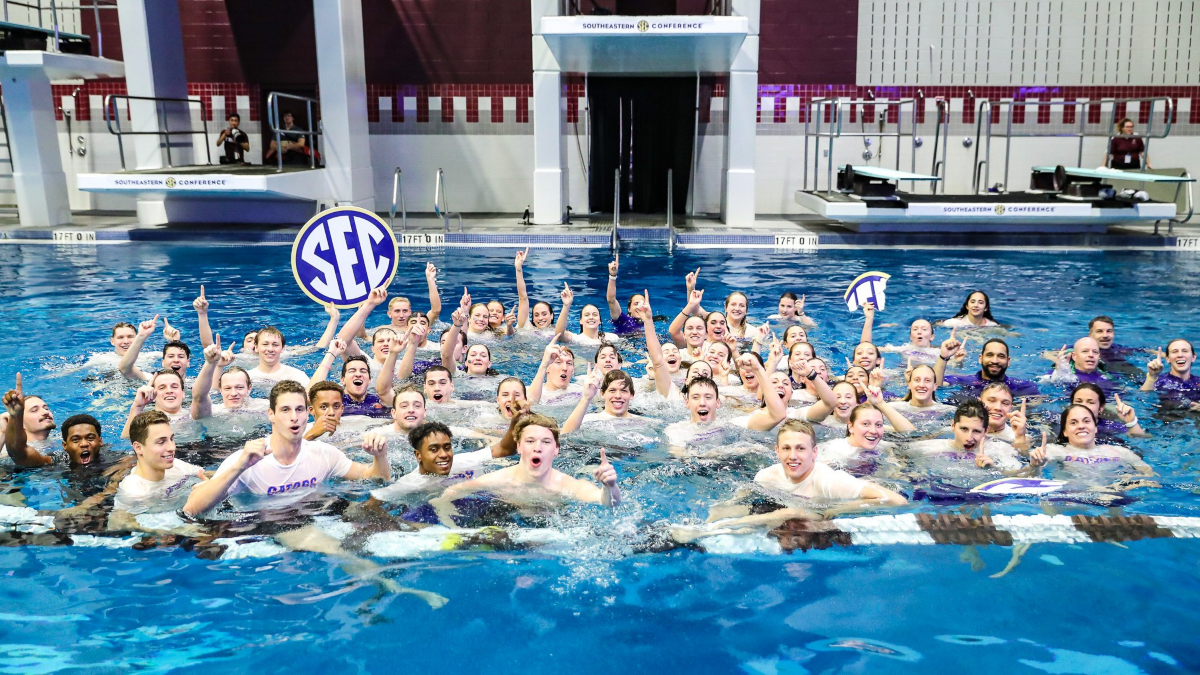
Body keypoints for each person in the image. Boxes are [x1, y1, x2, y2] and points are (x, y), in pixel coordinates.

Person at [183, 381, 391, 516]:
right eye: (285, 409)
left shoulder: (323, 454)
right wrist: (238, 468)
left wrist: (380, 457)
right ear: (271, 414)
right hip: (261, 528)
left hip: (314, 515)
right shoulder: (246, 459)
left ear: (307, 414)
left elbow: (375, 478)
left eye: (299, 409)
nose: (294, 417)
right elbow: (191, 510)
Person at [430, 413, 620, 526]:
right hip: (505, 516)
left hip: (552, 521)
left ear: (556, 450)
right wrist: (451, 525)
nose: (537, 447)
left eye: (546, 442)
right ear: (519, 447)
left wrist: (609, 486)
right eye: (530, 441)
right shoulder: (498, 480)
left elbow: (607, 503)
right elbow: (449, 493)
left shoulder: (567, 485)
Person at [757, 421, 906, 504]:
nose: (793, 456)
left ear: (814, 452)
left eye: (801, 448)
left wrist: (836, 509)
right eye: (786, 448)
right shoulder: (766, 478)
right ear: (777, 451)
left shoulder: (829, 481)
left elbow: (896, 500)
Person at [370, 422, 502, 502]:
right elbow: (373, 503)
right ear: (418, 455)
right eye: (434, 449)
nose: (443, 455)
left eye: (447, 448)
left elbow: (502, 449)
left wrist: (517, 421)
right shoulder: (410, 484)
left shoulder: (462, 462)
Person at [3, 374, 104, 467]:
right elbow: (18, 453)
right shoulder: (60, 459)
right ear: (65, 445)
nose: (84, 444)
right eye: (34, 410)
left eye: (46, 408)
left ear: (100, 441)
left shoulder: (111, 456)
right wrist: (16, 416)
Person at [115, 410, 204, 514]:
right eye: (161, 442)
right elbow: (117, 523)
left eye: (172, 439)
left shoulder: (176, 465)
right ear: (138, 448)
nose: (172, 447)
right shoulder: (133, 492)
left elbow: (206, 475)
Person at [903, 400, 1021, 470]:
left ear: (986, 431)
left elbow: (1019, 477)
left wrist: (993, 468)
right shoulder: (928, 448)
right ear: (953, 426)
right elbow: (896, 453)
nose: (969, 438)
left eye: (976, 431)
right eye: (964, 429)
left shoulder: (1000, 450)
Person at [1037, 405, 1153, 476]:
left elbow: (1149, 474)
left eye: (1086, 421)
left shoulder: (1119, 451)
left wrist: (1129, 481)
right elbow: (1031, 472)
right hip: (1071, 498)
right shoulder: (1057, 451)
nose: (1081, 426)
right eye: (1073, 423)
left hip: (1113, 497)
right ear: (1065, 431)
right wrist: (1034, 465)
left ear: (1095, 427)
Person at [934, 333, 1039, 397]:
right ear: (980, 358)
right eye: (989, 355)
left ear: (1008, 361)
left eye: (1001, 356)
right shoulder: (965, 381)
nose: (995, 360)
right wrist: (944, 357)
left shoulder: (1023, 387)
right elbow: (935, 385)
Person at [118, 315, 191, 382]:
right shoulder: (152, 380)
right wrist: (141, 336)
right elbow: (125, 369)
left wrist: (175, 342)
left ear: (188, 362)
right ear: (163, 362)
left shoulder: (194, 387)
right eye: (171, 356)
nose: (176, 360)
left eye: (181, 356)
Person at [121, 370, 190, 438]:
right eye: (162, 388)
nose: (169, 391)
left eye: (174, 387)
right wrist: (137, 406)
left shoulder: (194, 416)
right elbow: (126, 441)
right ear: (153, 394)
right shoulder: (145, 420)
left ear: (183, 393)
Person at [1069, 382, 1146, 438]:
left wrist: (1131, 423)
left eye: (1091, 402)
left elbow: (1141, 440)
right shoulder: (1060, 423)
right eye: (1078, 401)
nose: (1084, 406)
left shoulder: (1110, 427)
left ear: (1101, 407)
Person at [1141, 339, 1200, 408]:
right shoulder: (1158, 381)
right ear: (1167, 359)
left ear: (1193, 357)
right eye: (1175, 352)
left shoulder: (1198, 382)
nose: (1180, 355)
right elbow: (1143, 397)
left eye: (1185, 351)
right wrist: (1152, 376)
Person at [1048, 337, 1117, 390]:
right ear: (1074, 356)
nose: (1091, 355)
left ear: (1098, 356)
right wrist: (1058, 372)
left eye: (1095, 352)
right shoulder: (1061, 374)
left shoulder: (1107, 378)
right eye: (1085, 351)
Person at [604, 254, 647, 336]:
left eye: (642, 303)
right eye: (636, 304)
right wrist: (612, 276)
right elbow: (611, 300)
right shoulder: (623, 320)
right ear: (629, 309)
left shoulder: (650, 321)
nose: (639, 306)